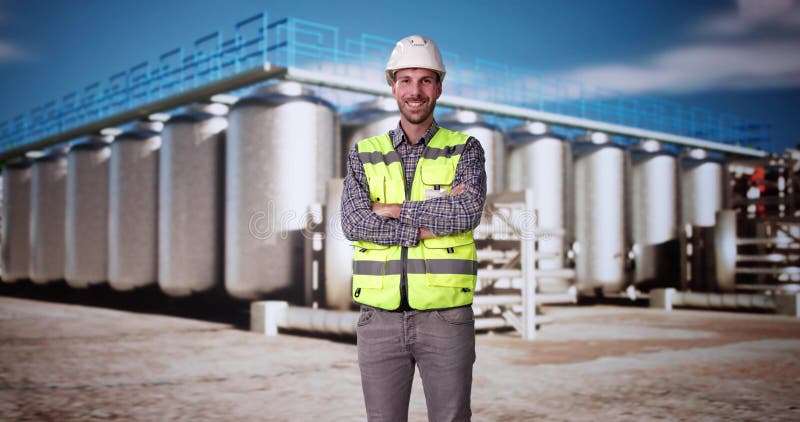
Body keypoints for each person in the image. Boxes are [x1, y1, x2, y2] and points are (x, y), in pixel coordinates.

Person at [340, 34, 487, 422]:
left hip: (446, 317)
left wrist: (391, 210)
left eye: (425, 80)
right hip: (378, 319)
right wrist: (421, 227)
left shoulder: (465, 149)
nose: (415, 91)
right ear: (393, 86)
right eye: (405, 80)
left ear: (439, 86)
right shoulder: (364, 153)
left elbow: (465, 212)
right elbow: (353, 222)